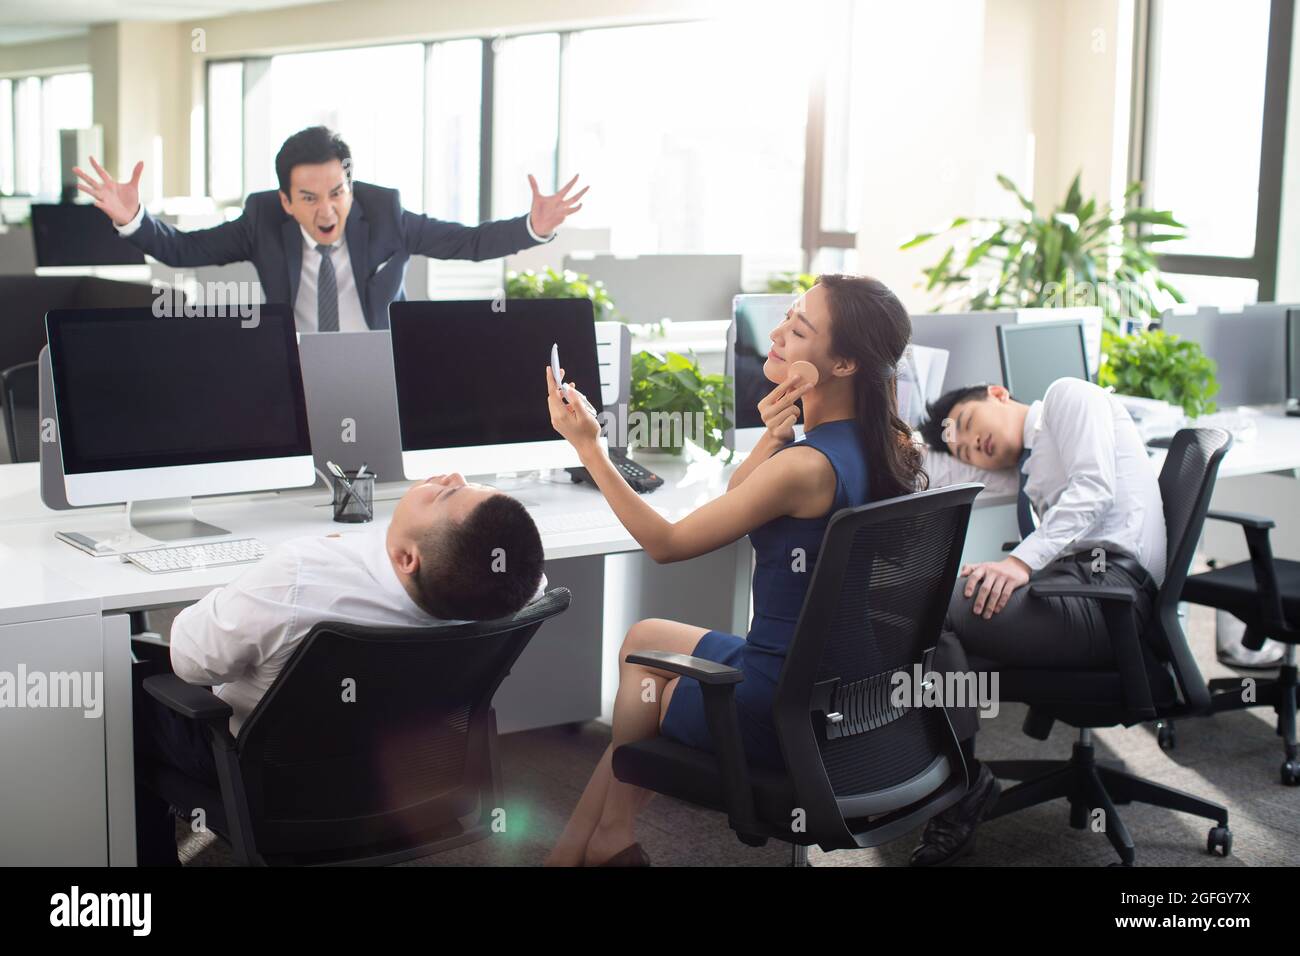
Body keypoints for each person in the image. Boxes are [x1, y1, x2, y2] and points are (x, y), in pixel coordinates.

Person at [542, 274, 926, 866]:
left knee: (649, 686)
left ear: (844, 362)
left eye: (797, 329)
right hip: (843, 687)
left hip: (777, 708)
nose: (775, 334)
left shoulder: (806, 468)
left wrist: (590, 447)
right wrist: (775, 434)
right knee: (644, 639)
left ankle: (597, 843)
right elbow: (739, 495)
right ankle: (598, 843)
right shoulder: (880, 445)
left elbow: (666, 543)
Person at [132, 473, 546, 865]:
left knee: (132, 687)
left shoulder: (299, 574)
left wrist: (243, 590)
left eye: (447, 494)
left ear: (406, 558)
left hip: (271, 781)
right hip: (410, 774)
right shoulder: (508, 591)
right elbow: (533, 578)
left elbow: (190, 661)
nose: (451, 476)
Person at [912, 378, 1167, 866]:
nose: (974, 446)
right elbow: (940, 474)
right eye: (966, 450)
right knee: (947, 641)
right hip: (1083, 591)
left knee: (932, 611)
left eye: (968, 423)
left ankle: (959, 787)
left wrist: (1019, 565)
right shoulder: (1029, 462)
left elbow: (1094, 489)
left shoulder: (1068, 397)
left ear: (998, 393)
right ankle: (946, 779)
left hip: (1109, 598)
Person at [73, 125, 587, 332]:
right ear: (285, 201)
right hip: (292, 370)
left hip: (379, 370)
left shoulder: (384, 213)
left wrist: (532, 228)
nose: (327, 211)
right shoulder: (261, 220)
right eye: (309, 198)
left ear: (351, 188)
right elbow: (183, 250)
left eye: (337, 193)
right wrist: (131, 219)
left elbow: (467, 243)